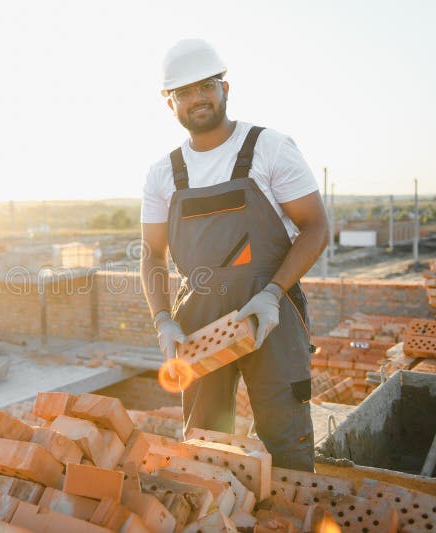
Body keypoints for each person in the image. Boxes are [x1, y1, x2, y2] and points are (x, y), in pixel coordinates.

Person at [140, 38, 329, 471]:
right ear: (169, 104)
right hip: (198, 319)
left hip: (270, 311)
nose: (196, 98)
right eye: (183, 92)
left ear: (225, 87)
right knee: (208, 443)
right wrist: (163, 320)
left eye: (205, 85)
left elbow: (316, 226)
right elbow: (151, 253)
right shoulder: (163, 173)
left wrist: (273, 293)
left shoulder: (269, 147)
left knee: (286, 437)